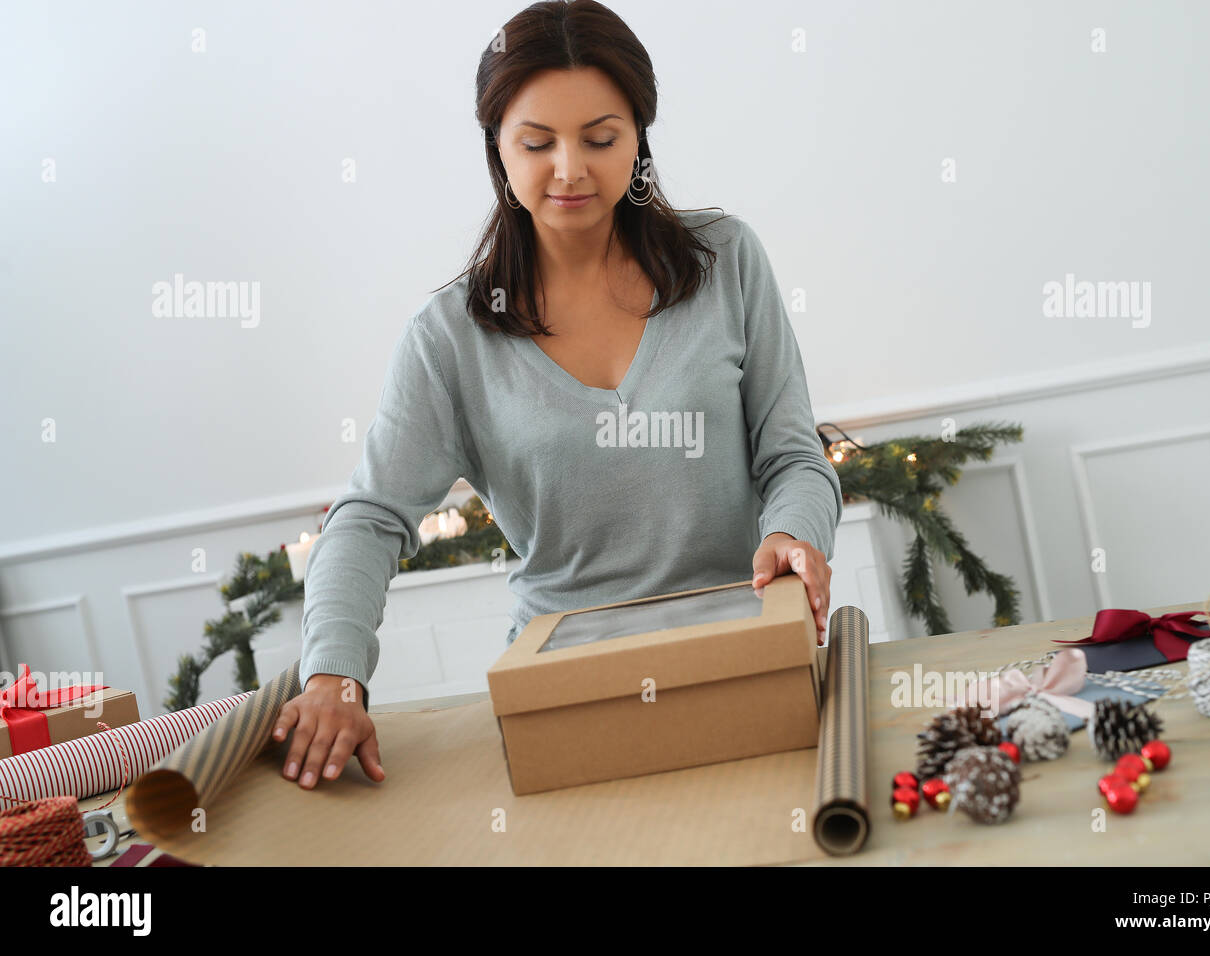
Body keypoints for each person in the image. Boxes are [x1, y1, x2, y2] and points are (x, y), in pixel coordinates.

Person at [271, 0, 843, 791]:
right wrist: (334, 677)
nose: (570, 168)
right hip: (567, 696)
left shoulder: (727, 261)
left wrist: (795, 535)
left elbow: (793, 457)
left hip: (745, 656)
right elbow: (369, 519)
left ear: (639, 138)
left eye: (601, 139)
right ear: (497, 149)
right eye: (536, 143)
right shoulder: (451, 337)